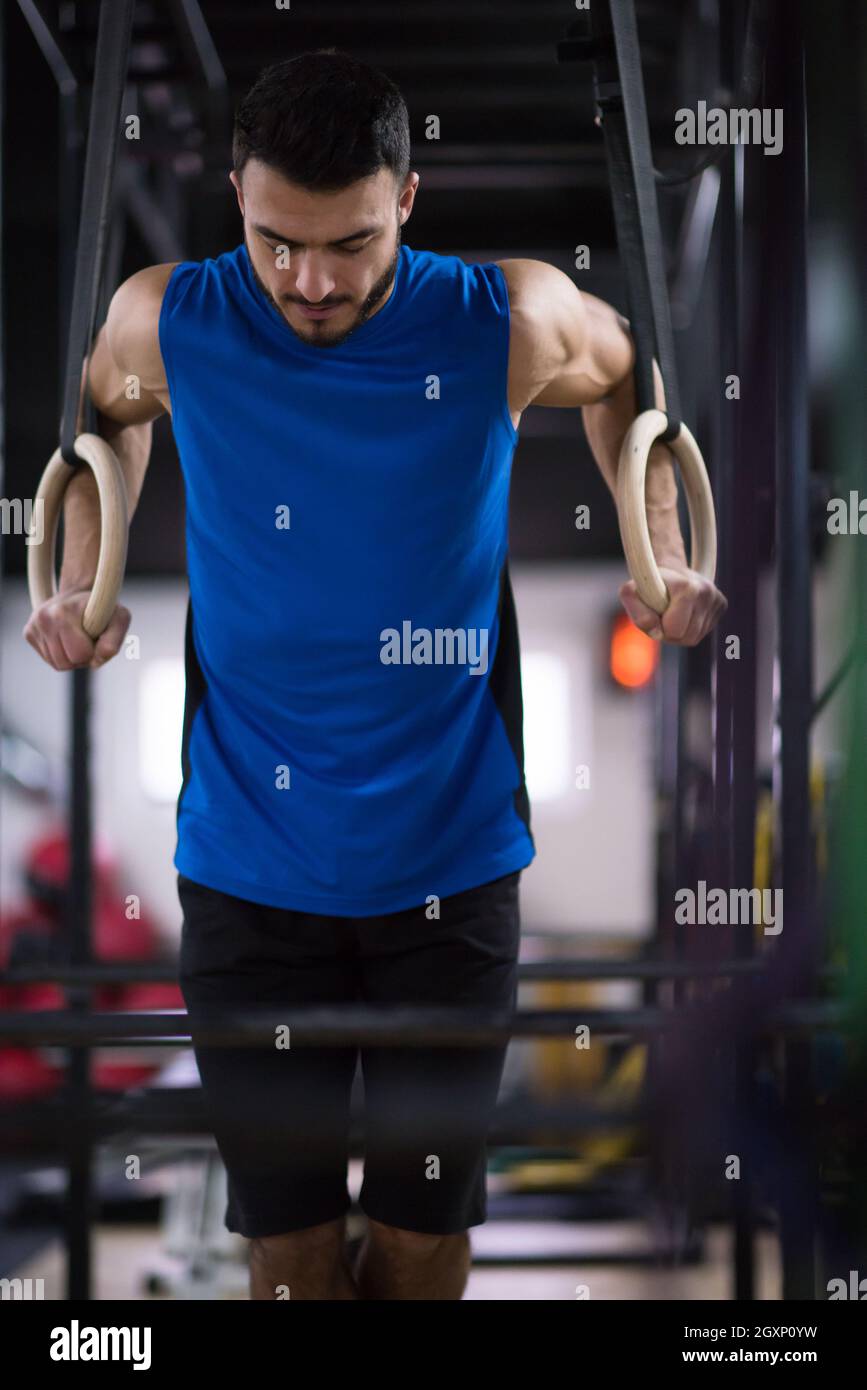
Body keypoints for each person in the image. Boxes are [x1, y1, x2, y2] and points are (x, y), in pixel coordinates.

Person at [23, 49, 726, 1299]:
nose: (309, 281)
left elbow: (630, 380)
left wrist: (658, 555)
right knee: (287, 1259)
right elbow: (106, 415)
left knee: (421, 1247)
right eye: (275, 241)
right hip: (248, 873)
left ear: (408, 196)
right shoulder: (169, 317)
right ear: (236, 194)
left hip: (447, 879)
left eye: (347, 243)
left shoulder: (501, 321)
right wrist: (86, 575)